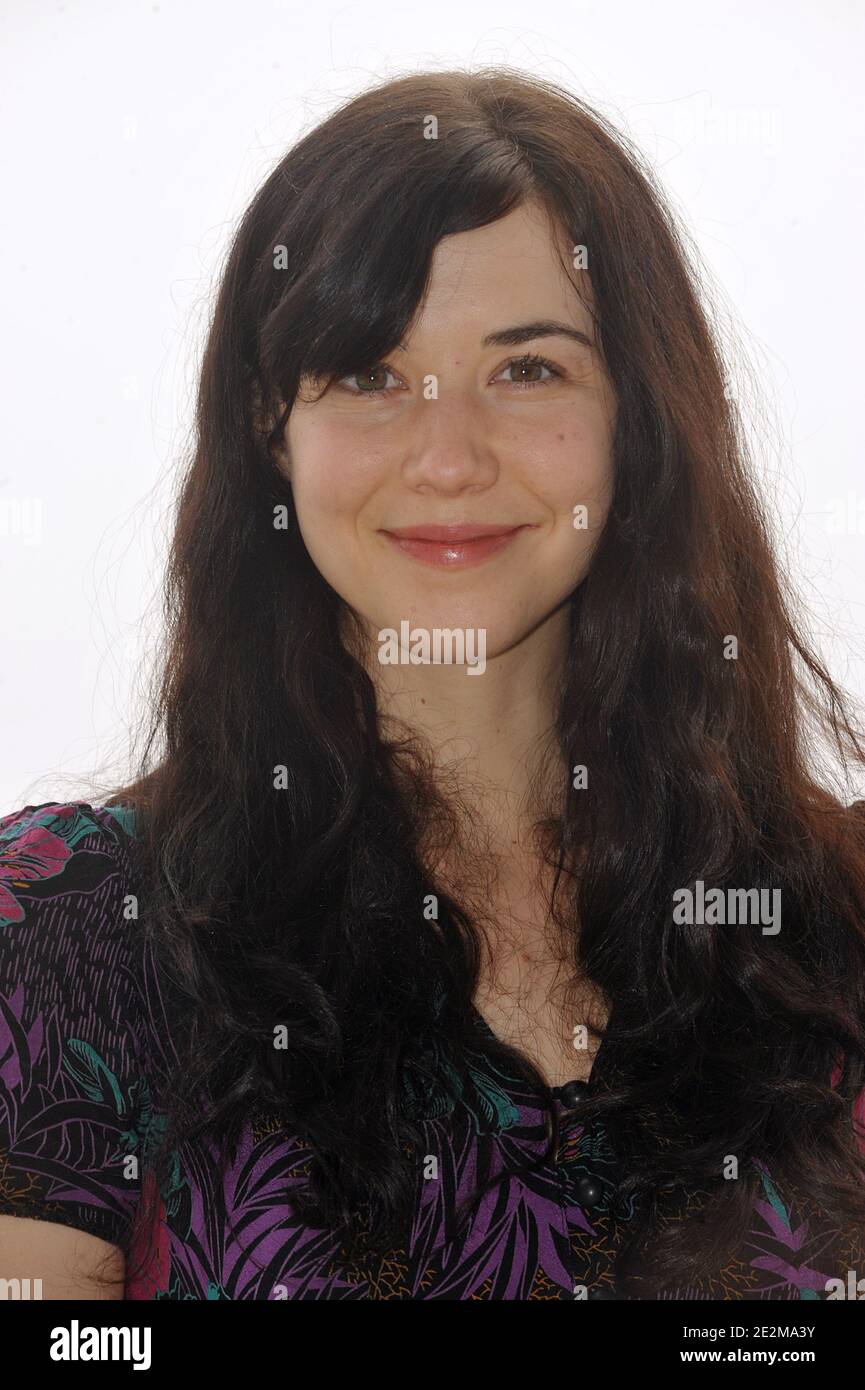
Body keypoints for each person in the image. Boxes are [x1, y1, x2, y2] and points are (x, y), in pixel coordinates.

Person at [1, 67, 864, 1301]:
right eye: (366, 374)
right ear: (269, 428)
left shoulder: (835, 930)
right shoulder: (74, 925)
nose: (448, 456)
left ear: (638, 419)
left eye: (527, 370)